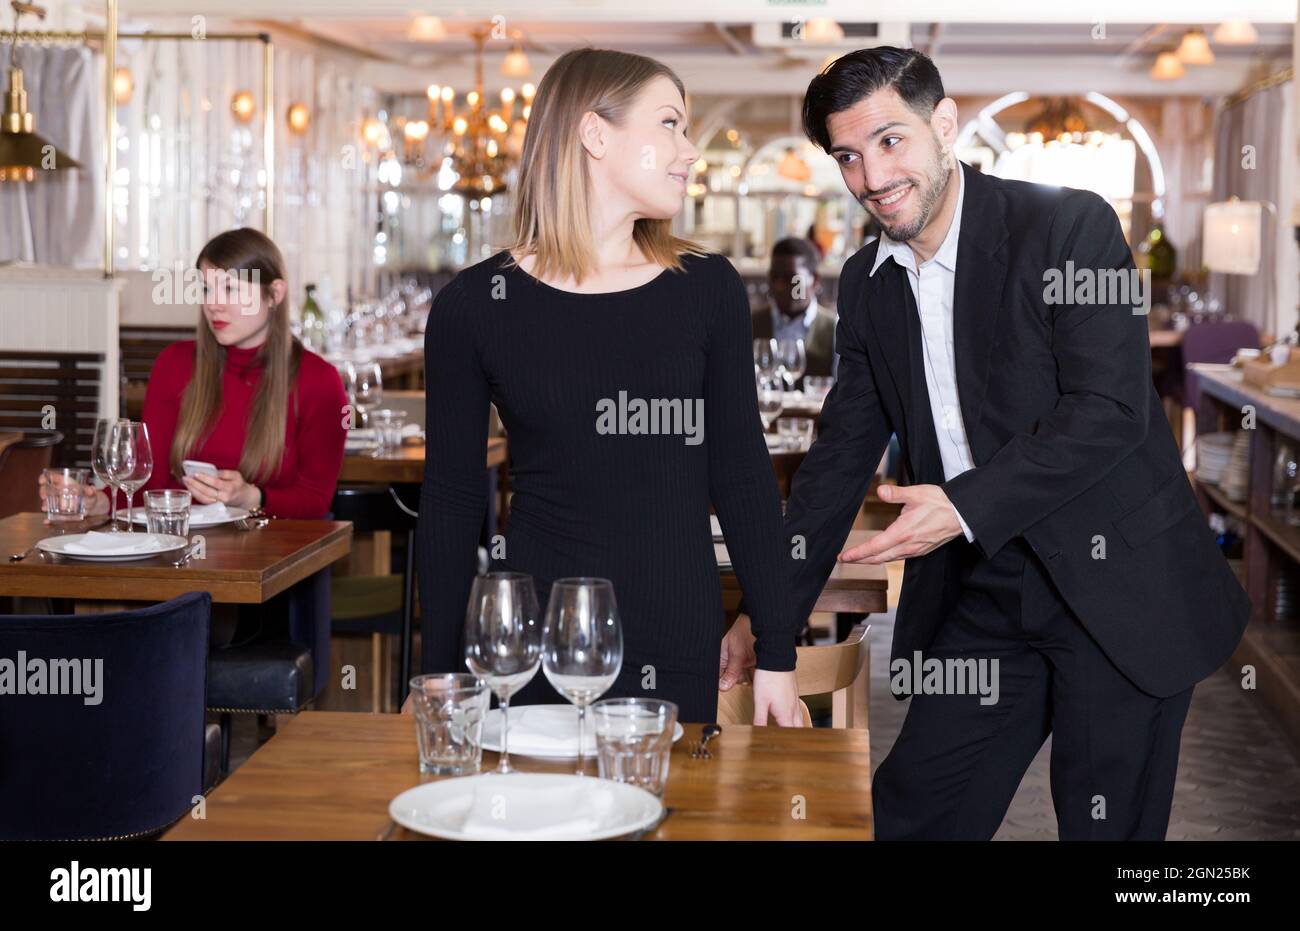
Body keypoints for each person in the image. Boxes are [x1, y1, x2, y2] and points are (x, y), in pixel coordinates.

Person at [720, 47, 1248, 838]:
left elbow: (1109, 410)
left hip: (1116, 590)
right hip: (986, 592)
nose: (872, 176)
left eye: (891, 140)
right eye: (849, 156)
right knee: (912, 816)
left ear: (943, 124)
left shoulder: (1070, 226)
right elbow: (835, 463)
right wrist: (769, 616)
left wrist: (959, 507)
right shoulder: (865, 284)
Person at [417, 47, 802, 725]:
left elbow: (742, 477)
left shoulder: (707, 289)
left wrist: (777, 651)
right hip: (531, 640)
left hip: (674, 626)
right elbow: (449, 506)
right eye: (669, 124)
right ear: (595, 135)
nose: (689, 150)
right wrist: (442, 677)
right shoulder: (475, 305)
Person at [40, 227, 348, 521]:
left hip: (276, 559)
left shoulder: (319, 381)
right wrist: (96, 502)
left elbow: (316, 501)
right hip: (179, 550)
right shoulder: (174, 365)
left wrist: (252, 498)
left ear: (274, 294)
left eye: (230, 289)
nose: (213, 304)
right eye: (206, 288)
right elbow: (149, 481)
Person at [750, 237, 837, 384]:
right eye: (774, 277)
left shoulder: (836, 329)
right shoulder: (749, 323)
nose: (779, 286)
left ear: (815, 280)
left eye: (791, 278)